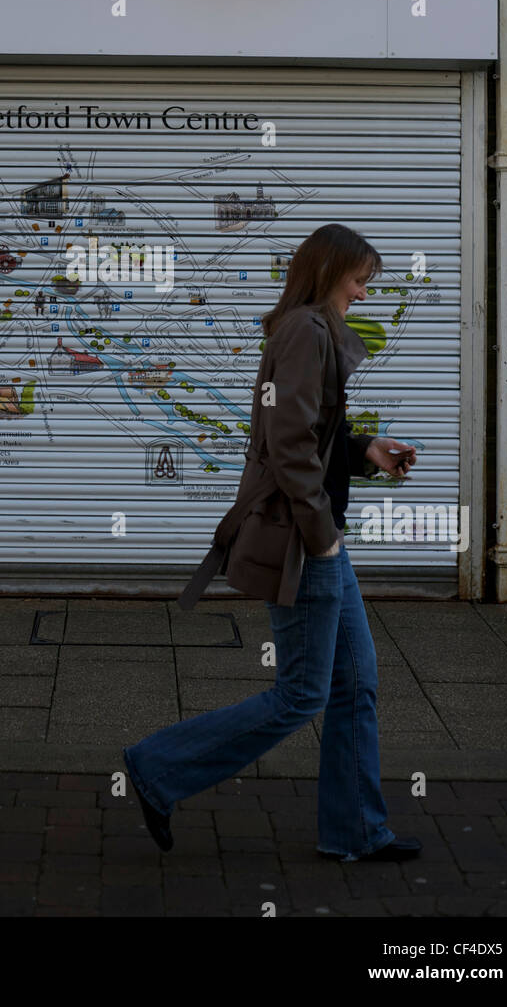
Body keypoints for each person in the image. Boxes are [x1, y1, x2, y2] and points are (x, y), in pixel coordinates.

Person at [123, 223, 421, 863]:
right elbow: (288, 449)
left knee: (355, 684)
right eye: (360, 276)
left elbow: (309, 434)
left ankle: (355, 831)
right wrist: (321, 538)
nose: (366, 290)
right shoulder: (305, 333)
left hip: (320, 538)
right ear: (331, 271)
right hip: (306, 542)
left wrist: (364, 449)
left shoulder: (309, 331)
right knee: (304, 693)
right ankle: (157, 766)